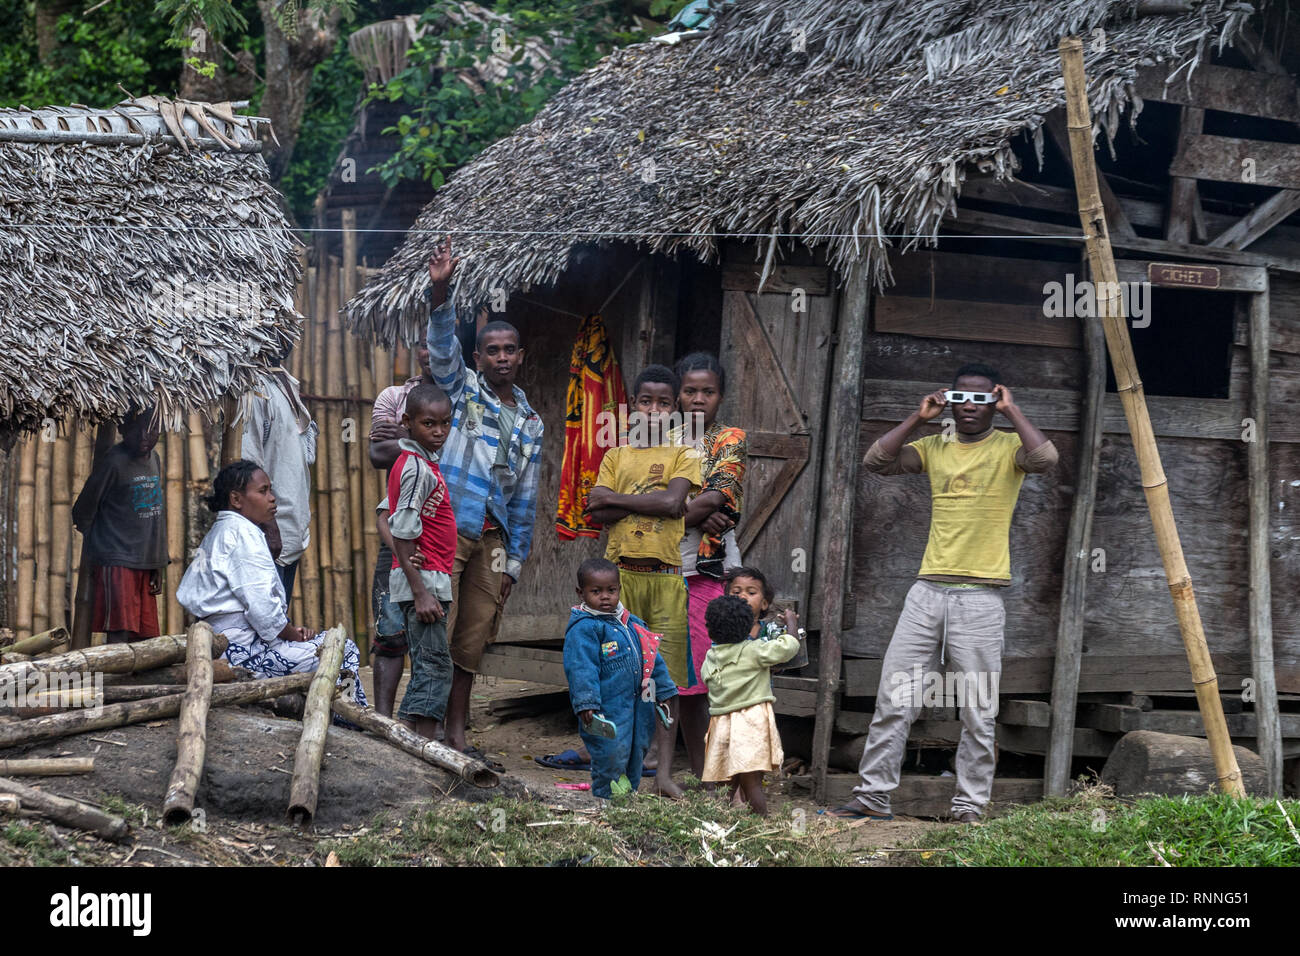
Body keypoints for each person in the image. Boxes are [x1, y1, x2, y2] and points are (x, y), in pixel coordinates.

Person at [829, 363, 1057, 824]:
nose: (969, 408)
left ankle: (969, 806)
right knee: (896, 697)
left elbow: (1046, 460)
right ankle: (873, 798)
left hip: (980, 598)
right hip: (927, 591)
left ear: (994, 401)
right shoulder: (934, 445)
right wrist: (920, 418)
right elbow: (877, 461)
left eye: (980, 399)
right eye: (961, 399)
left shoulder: (1011, 446)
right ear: (949, 401)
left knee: (978, 709)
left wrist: (1012, 411)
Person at [424, 238, 544, 764]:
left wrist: (514, 561)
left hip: (493, 541)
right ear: (478, 358)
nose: (500, 357)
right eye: (491, 350)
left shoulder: (533, 422)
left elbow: (525, 500)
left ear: (521, 356)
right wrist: (442, 291)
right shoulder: (463, 391)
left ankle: (455, 735)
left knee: (471, 641)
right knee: (431, 627)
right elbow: (442, 348)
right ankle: (419, 729)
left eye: (508, 350)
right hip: (450, 527)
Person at [584, 364, 701, 798]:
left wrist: (618, 498)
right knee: (618, 675)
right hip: (621, 580)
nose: (654, 409)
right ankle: (619, 772)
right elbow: (596, 512)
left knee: (665, 682)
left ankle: (664, 774)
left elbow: (674, 502)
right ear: (634, 405)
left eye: (664, 402)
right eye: (646, 401)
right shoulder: (616, 456)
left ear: (675, 409)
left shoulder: (684, 454)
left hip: (667, 580)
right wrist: (645, 503)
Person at [176, 460, 365, 702]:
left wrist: (288, 630)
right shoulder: (242, 535)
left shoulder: (222, 531)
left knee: (321, 643)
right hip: (243, 656)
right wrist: (293, 635)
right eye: (263, 491)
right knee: (343, 649)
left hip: (223, 647)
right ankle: (348, 717)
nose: (272, 498)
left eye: (271, 490)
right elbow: (263, 612)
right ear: (236, 499)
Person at [671, 351, 747, 781]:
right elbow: (646, 492)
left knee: (708, 673)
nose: (699, 399)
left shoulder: (729, 439)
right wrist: (696, 511)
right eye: (690, 391)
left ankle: (713, 772)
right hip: (661, 565)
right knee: (671, 674)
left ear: (721, 395)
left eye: (708, 392)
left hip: (709, 569)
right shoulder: (659, 437)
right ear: (679, 394)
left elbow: (720, 493)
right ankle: (685, 768)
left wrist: (678, 509)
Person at [563, 558, 678, 798]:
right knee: (611, 756)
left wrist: (665, 691)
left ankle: (628, 800)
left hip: (640, 708)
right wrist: (586, 702)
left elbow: (652, 659)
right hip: (607, 712)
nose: (605, 597)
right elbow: (581, 667)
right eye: (596, 591)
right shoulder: (585, 629)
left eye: (611, 590)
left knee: (637, 754)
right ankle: (605, 803)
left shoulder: (633, 623)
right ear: (580, 593)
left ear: (619, 589)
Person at [367, 340, 438, 722]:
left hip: (448, 531)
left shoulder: (470, 395)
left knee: (439, 635)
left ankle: (429, 726)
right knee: (392, 629)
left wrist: (407, 438)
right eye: (423, 345)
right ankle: (382, 722)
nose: (430, 352)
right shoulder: (394, 396)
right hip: (401, 523)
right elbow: (377, 453)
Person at [386, 384, 458, 741]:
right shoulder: (416, 467)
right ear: (407, 422)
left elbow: (398, 523)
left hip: (427, 577)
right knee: (435, 667)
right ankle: (424, 744)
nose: (439, 431)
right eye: (429, 423)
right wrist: (420, 592)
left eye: (445, 423)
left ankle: (409, 738)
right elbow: (400, 529)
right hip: (424, 582)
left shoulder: (421, 463)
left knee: (428, 664)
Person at [699, 595, 800, 816]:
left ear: (710, 629)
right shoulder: (755, 651)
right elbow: (789, 647)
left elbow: (707, 680)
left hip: (721, 725)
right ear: (748, 626)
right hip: (750, 723)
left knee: (728, 782)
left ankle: (721, 823)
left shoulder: (710, 657)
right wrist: (791, 623)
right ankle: (761, 824)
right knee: (751, 781)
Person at [71, 408, 166, 644]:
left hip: (145, 560)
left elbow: (153, 515)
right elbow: (83, 510)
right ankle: (112, 680)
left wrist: (157, 562)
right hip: (117, 561)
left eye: (152, 428)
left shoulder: (155, 459)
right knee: (120, 631)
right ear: (123, 428)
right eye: (137, 428)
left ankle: (138, 682)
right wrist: (102, 548)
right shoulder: (114, 462)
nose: (145, 435)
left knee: (145, 635)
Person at [241, 364, 318, 605]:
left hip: (289, 532)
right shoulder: (254, 389)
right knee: (266, 631)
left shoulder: (283, 381)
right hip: (269, 538)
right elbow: (248, 466)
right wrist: (269, 526)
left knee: (276, 625)